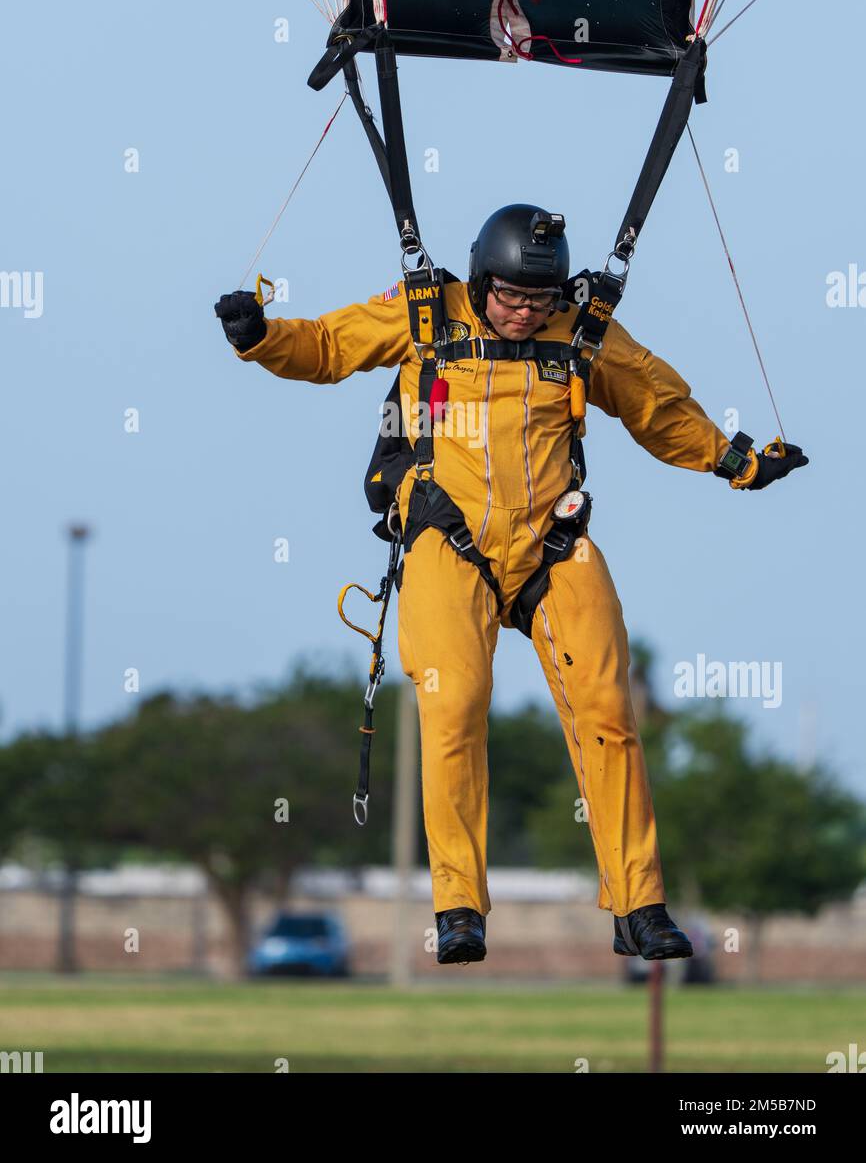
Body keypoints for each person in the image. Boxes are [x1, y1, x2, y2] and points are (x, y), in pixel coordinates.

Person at [215, 204, 807, 967]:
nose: (527, 312)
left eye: (540, 299)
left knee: (608, 707)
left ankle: (638, 905)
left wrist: (737, 462)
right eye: (511, 297)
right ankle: (459, 905)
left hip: (554, 543)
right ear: (481, 277)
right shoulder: (427, 313)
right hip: (447, 538)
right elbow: (330, 345)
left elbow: (658, 407)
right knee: (453, 704)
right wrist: (262, 337)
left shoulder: (583, 330)